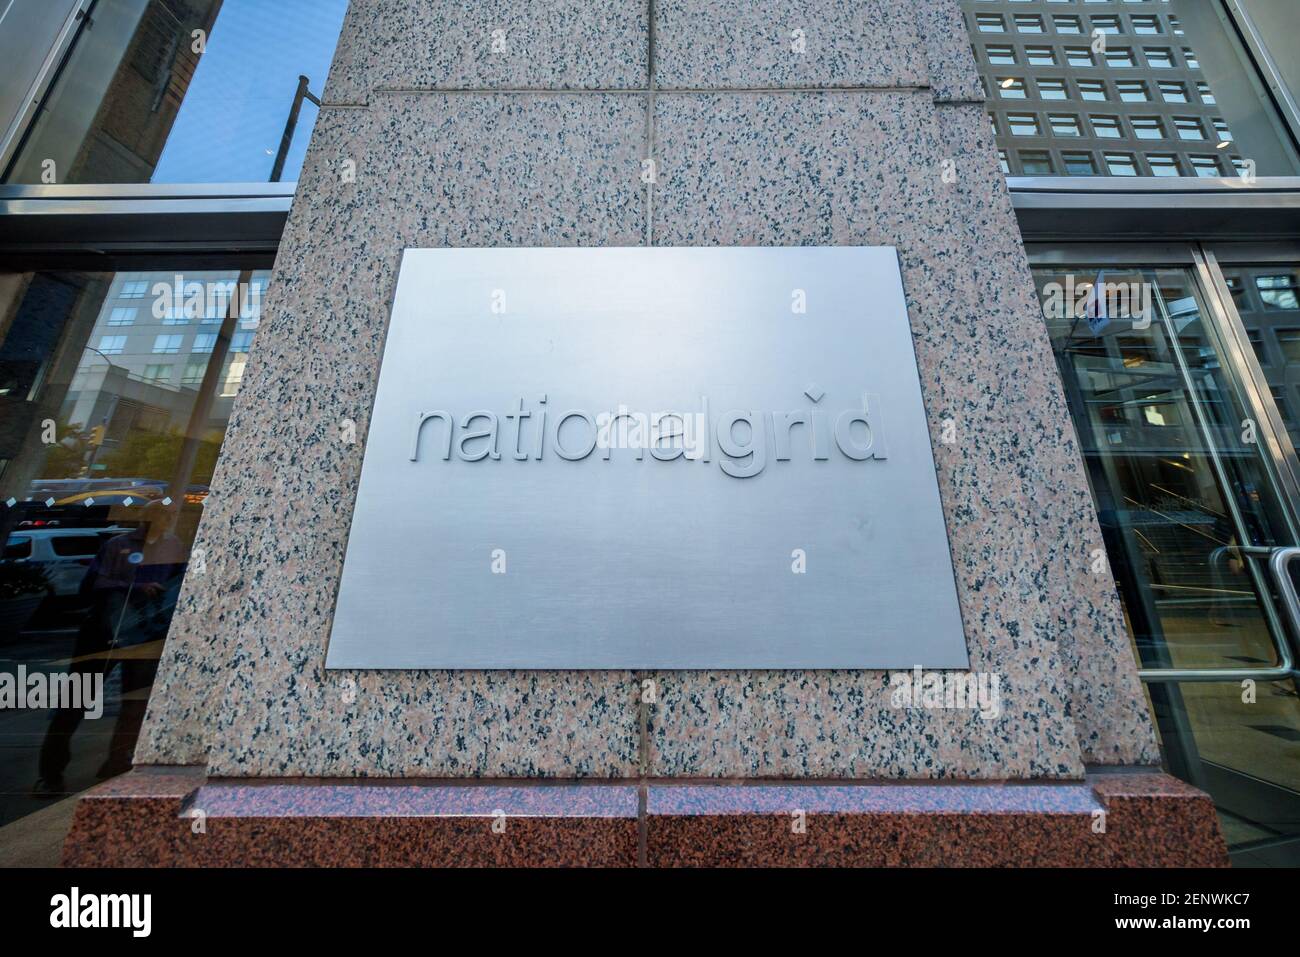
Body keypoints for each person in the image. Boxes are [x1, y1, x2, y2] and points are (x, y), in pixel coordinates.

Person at [35, 501, 188, 794]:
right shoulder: (117, 544)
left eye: (169, 515)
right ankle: (50, 773)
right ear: (144, 517)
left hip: (145, 633)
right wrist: (132, 586)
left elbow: (180, 581)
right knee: (75, 701)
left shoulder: (174, 546)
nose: (164, 519)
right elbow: (93, 582)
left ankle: (118, 762)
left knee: (135, 702)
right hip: (104, 631)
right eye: (158, 514)